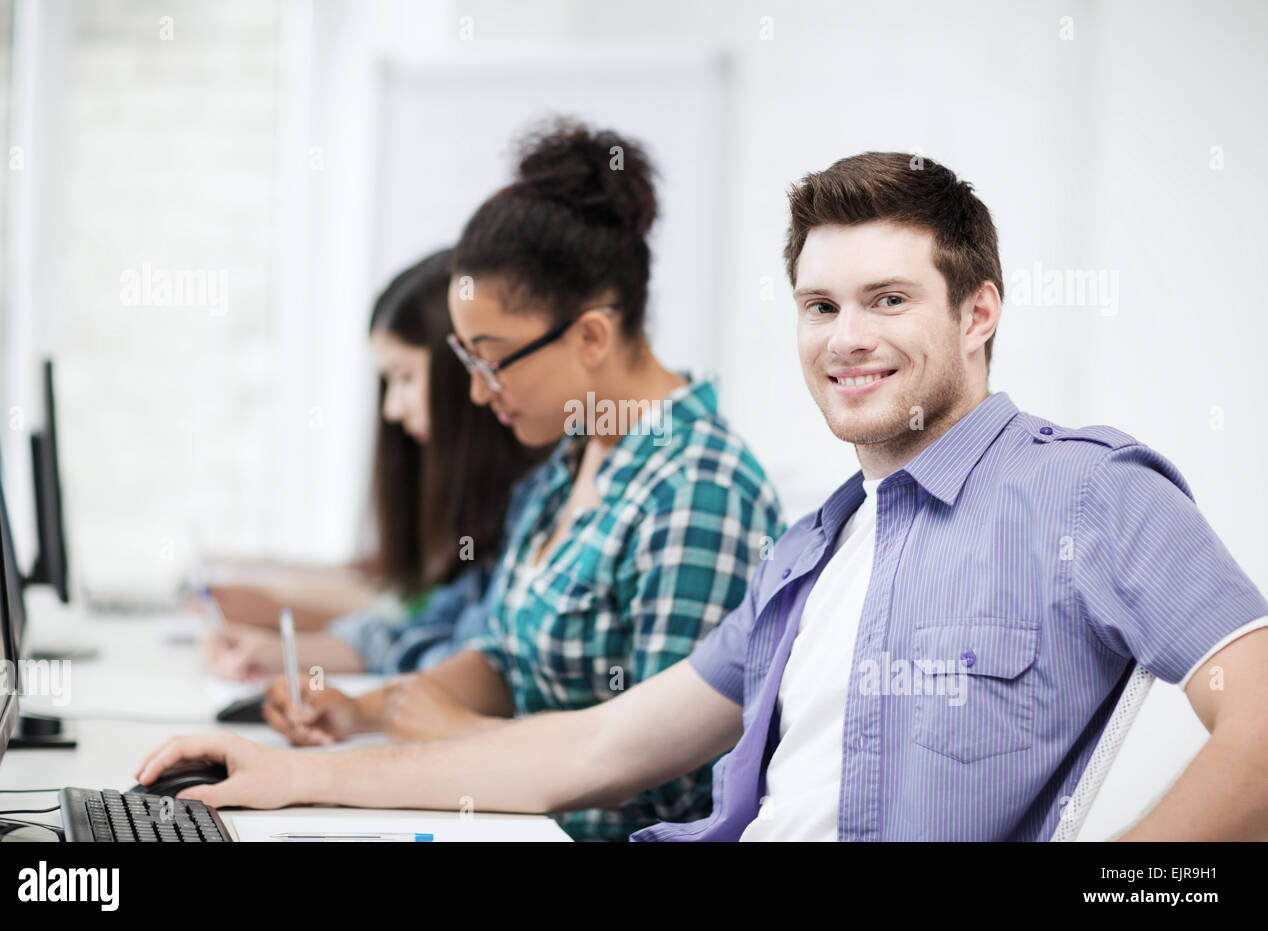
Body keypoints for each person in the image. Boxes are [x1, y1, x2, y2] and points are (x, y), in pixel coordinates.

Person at [141, 150, 1268, 841]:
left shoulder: (1082, 491)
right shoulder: (818, 548)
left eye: (887, 298)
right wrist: (291, 776)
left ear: (979, 313)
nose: (847, 338)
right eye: (819, 306)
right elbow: (587, 751)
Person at [253, 118, 786, 841]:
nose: (477, 393)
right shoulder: (568, 459)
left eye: (492, 359)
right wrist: (372, 709)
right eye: (466, 360)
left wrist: (461, 737)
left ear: (592, 335)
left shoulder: (699, 493)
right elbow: (507, 656)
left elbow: (673, 790)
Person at [205, 248, 546, 679]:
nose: (392, 410)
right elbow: (425, 627)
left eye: (404, 378)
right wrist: (285, 651)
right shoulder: (481, 509)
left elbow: (469, 660)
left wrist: (282, 622)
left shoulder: (534, 499)